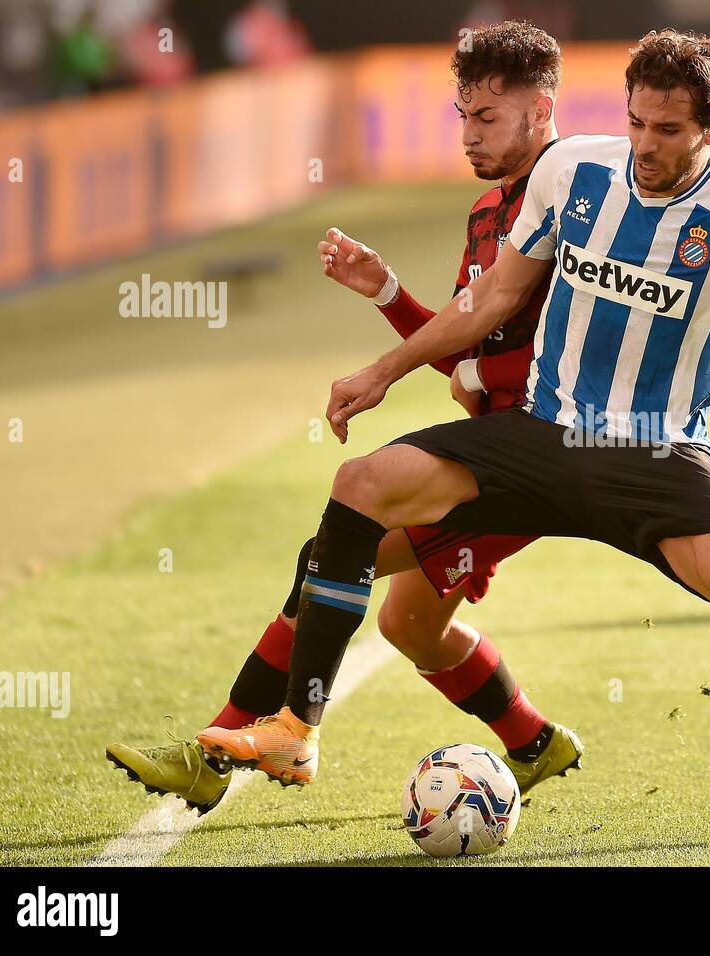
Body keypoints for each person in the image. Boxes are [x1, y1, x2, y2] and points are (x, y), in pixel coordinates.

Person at [202, 28, 710, 841]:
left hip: (655, 456)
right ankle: (296, 730)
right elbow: (491, 300)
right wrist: (382, 370)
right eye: (637, 121)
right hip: (542, 434)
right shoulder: (573, 173)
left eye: (668, 131)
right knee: (360, 485)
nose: (644, 145)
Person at [106, 21, 581, 813]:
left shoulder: (575, 200)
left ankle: (216, 752)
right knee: (409, 625)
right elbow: (463, 347)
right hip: (488, 440)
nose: (467, 136)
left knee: (329, 552)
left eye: (487, 119)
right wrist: (389, 293)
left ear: (543, 110)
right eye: (461, 117)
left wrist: (415, 370)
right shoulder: (483, 217)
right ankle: (535, 742)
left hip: (530, 457)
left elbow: (490, 342)